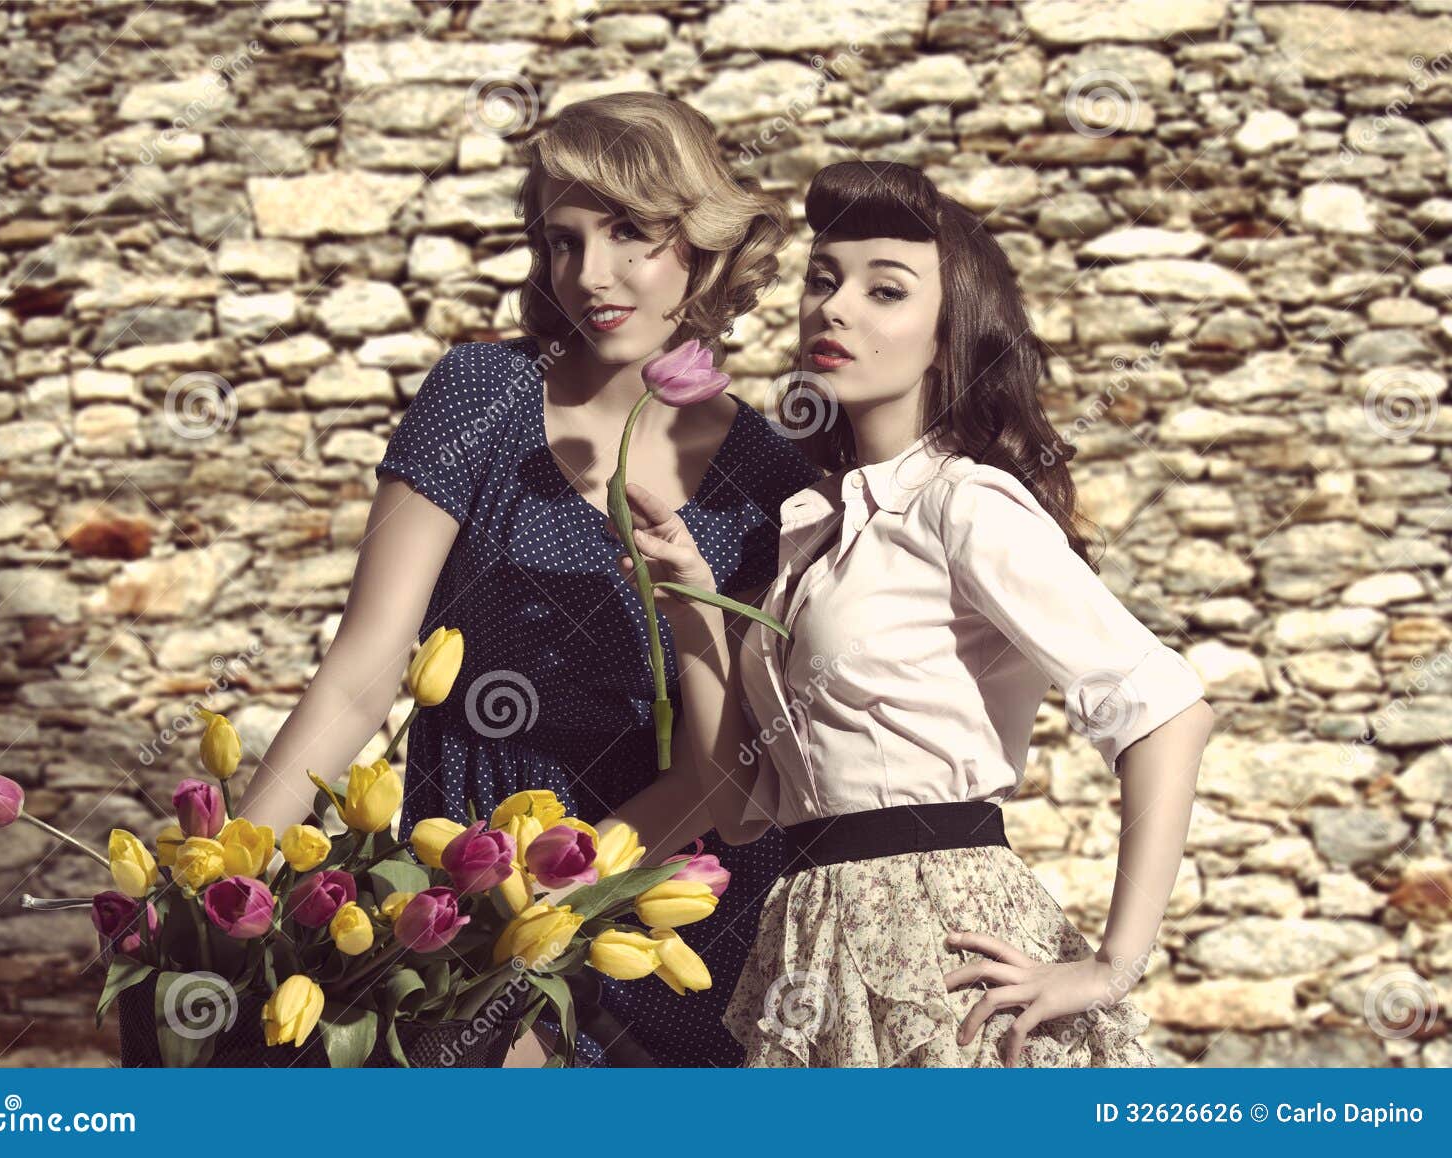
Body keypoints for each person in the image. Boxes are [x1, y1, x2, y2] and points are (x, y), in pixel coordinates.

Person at [238, 93, 822, 1066]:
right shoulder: (481, 393)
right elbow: (362, 670)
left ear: (702, 242)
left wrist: (558, 892)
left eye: (628, 232)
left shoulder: (771, 480)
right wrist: (226, 873)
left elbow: (723, 765)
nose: (588, 274)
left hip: (671, 905)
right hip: (468, 871)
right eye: (562, 241)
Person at [607, 161, 1216, 1067]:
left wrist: (1112, 964)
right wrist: (689, 595)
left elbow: (1166, 710)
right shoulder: (812, 534)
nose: (834, 308)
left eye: (884, 290)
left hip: (947, 951)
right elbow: (737, 810)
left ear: (948, 335)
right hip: (808, 944)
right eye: (823, 280)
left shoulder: (964, 502)